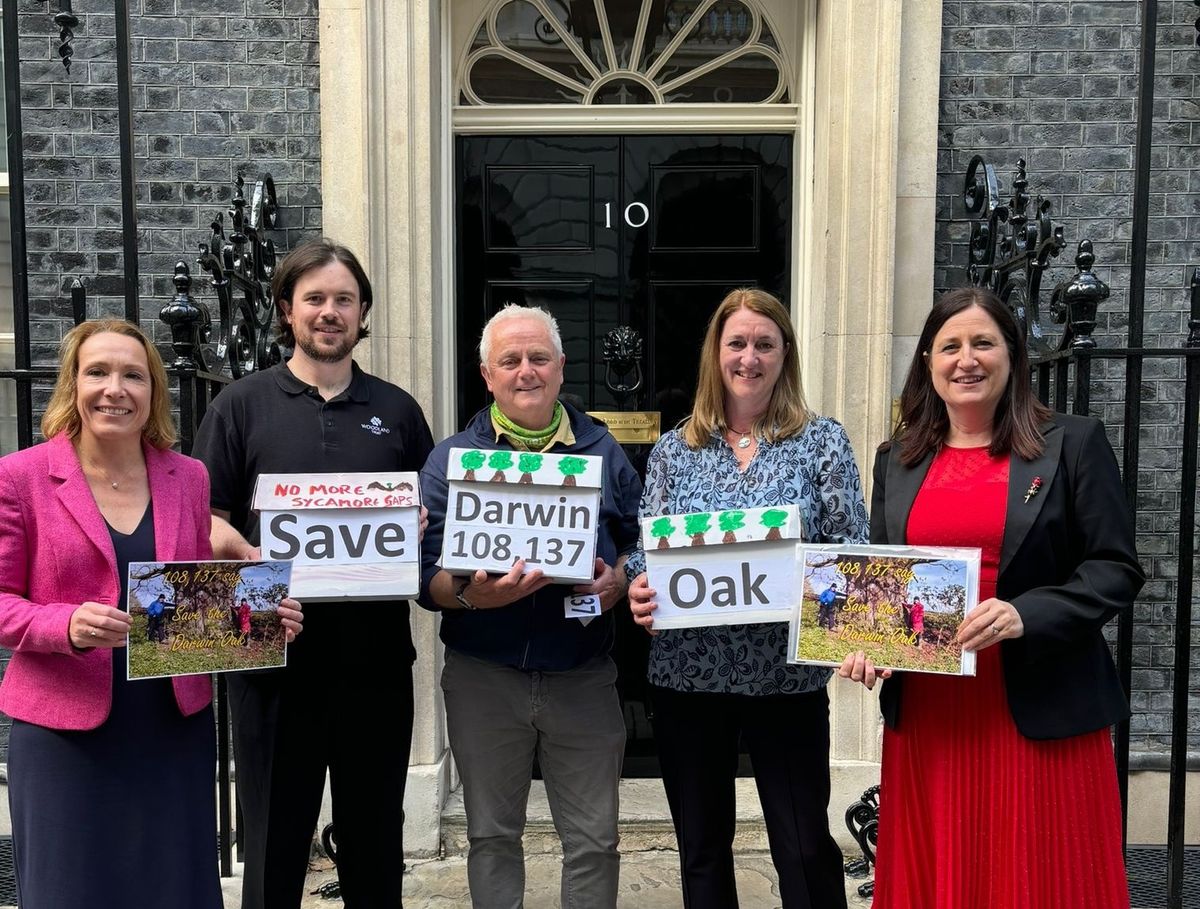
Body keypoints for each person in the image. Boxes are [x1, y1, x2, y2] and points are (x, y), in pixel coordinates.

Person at [838, 287, 1144, 908]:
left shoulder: (1074, 442)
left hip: (1037, 707)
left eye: (983, 342)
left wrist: (1024, 613)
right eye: (949, 345)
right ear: (928, 361)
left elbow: (1115, 568)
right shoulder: (895, 460)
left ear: (1012, 355)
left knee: (1039, 877)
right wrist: (869, 647)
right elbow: (881, 582)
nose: (966, 359)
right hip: (933, 714)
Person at [0, 319, 302, 909]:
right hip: (66, 734)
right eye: (98, 372)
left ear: (153, 392)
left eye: (133, 375)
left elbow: (190, 601)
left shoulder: (186, 478)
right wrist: (64, 626)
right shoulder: (21, 477)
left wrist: (261, 618)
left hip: (171, 728)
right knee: (71, 891)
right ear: (73, 384)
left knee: (172, 891)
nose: (115, 388)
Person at [192, 239, 435, 909]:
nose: (330, 312)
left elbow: (432, 516)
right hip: (271, 655)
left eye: (344, 300)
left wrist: (414, 525)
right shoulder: (239, 406)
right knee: (272, 839)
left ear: (363, 314)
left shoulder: (399, 409)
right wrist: (254, 570)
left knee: (377, 839)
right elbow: (203, 521)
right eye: (316, 299)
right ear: (286, 309)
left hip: (377, 659)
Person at [626, 288, 869, 909]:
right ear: (716, 354)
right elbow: (644, 550)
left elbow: (850, 549)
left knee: (804, 846)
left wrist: (853, 633)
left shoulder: (821, 443)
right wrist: (638, 587)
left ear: (785, 354)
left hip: (786, 680)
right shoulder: (675, 449)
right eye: (737, 343)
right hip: (688, 678)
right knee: (702, 848)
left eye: (765, 343)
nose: (750, 357)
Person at [419, 304, 641, 909]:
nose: (526, 372)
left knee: (595, 841)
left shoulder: (604, 450)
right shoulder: (451, 461)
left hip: (583, 675)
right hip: (484, 677)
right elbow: (427, 574)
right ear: (486, 375)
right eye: (510, 360)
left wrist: (618, 581)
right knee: (491, 837)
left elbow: (640, 540)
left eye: (539, 358)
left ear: (562, 368)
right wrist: (468, 594)